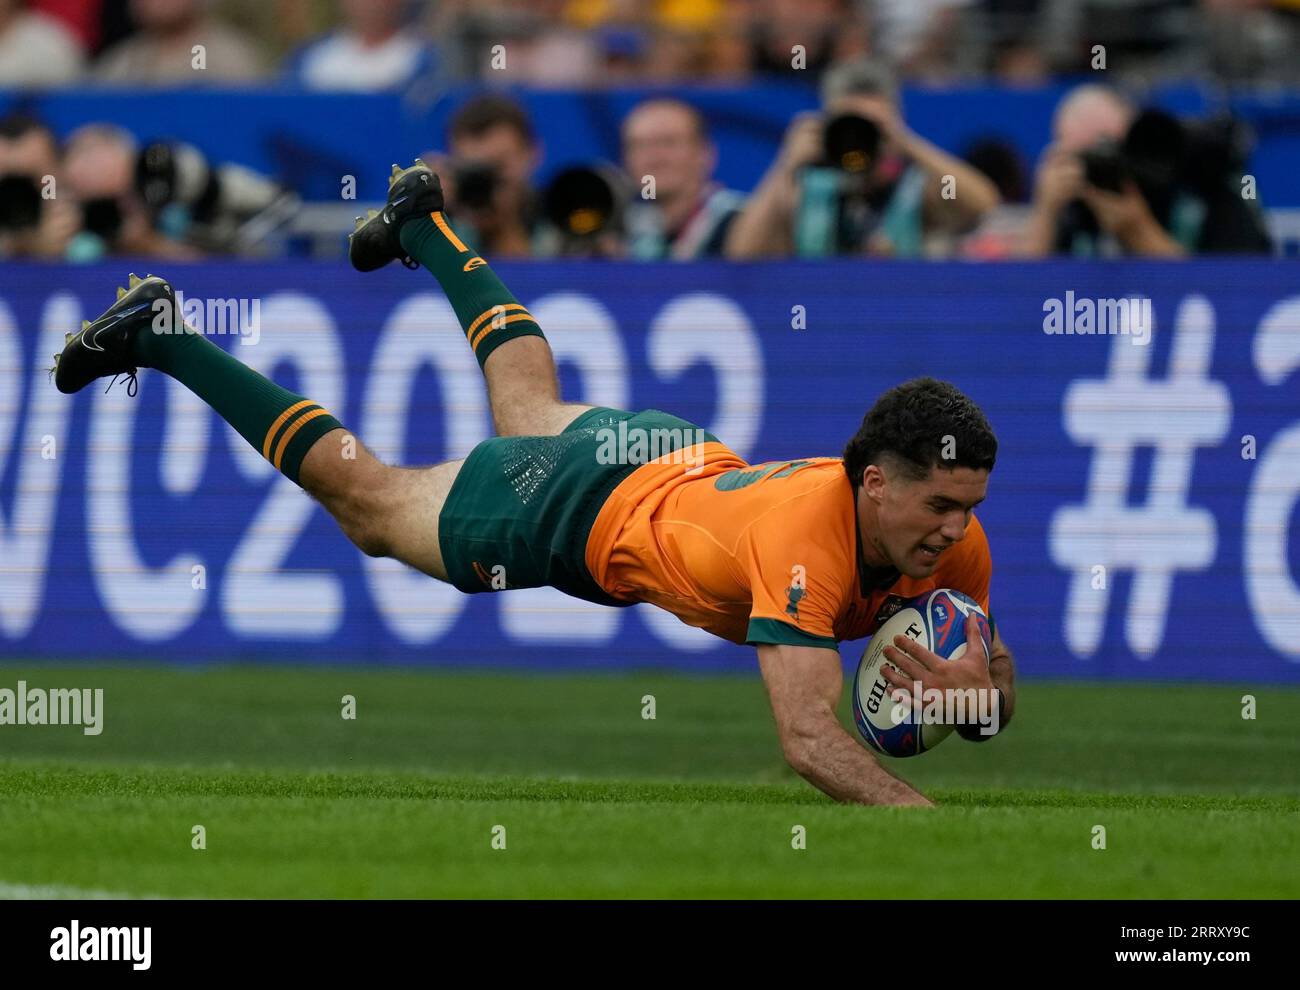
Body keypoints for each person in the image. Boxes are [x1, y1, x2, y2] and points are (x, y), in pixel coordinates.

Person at [51, 162, 1017, 808]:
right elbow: (809, 739)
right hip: (582, 510)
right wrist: (928, 825)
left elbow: (995, 683)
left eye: (967, 506)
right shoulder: (812, 539)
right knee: (377, 510)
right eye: (939, 505)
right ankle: (162, 335)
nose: (954, 530)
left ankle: (424, 227)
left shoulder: (953, 544)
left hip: (677, 457)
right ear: (874, 483)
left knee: (527, 405)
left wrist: (980, 700)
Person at [726, 58, 1000, 258]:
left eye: (871, 128)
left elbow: (983, 206)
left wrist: (906, 141)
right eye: (849, 126)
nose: (859, 140)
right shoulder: (806, 191)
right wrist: (786, 164)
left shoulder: (916, 190)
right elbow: (741, 252)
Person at [620, 97, 742, 260]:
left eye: (668, 142)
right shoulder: (624, 228)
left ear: (705, 154)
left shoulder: (740, 221)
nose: (653, 158)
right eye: (639, 145)